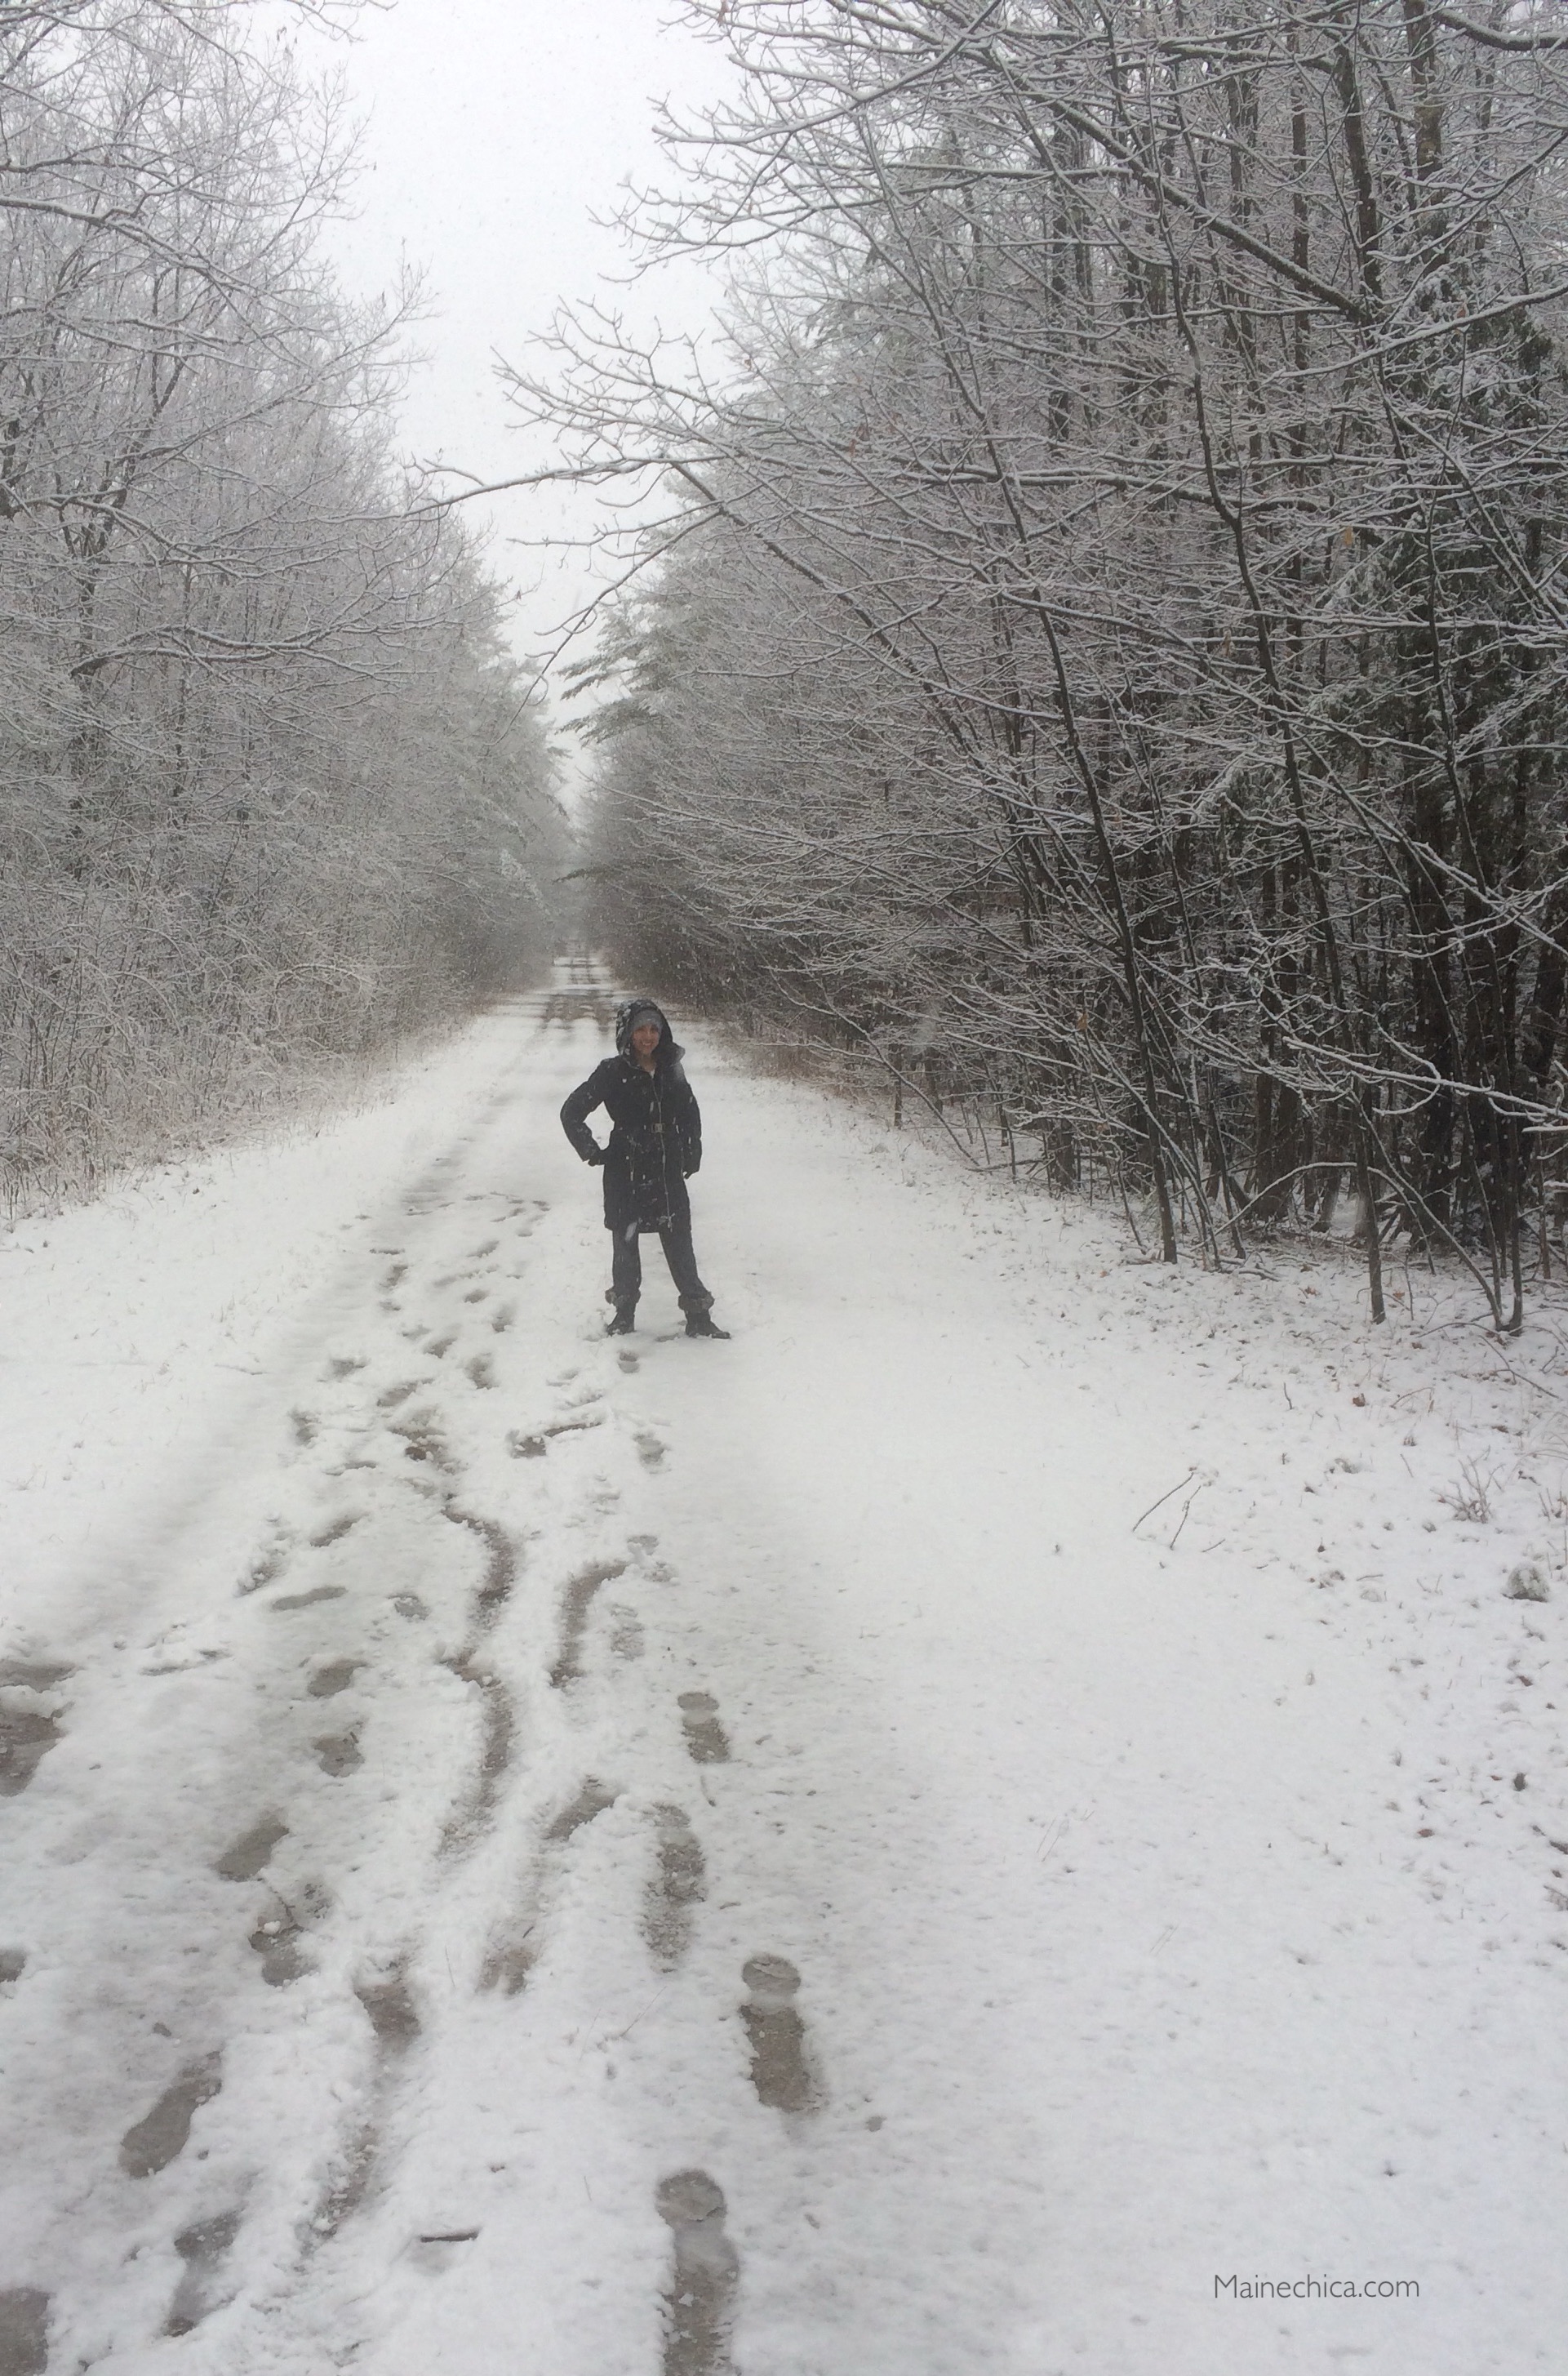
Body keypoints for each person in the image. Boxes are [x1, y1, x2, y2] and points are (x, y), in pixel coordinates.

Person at [560, 997, 731, 1338]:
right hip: (626, 1168)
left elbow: (689, 1112)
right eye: (640, 1029)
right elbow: (571, 1112)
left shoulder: (671, 1068)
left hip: (666, 1167)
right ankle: (624, 1315)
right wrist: (592, 1151)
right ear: (628, 1033)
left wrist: (691, 1149)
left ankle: (699, 1317)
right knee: (626, 1244)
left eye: (654, 1029)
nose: (648, 1037)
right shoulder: (611, 1072)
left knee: (680, 1242)